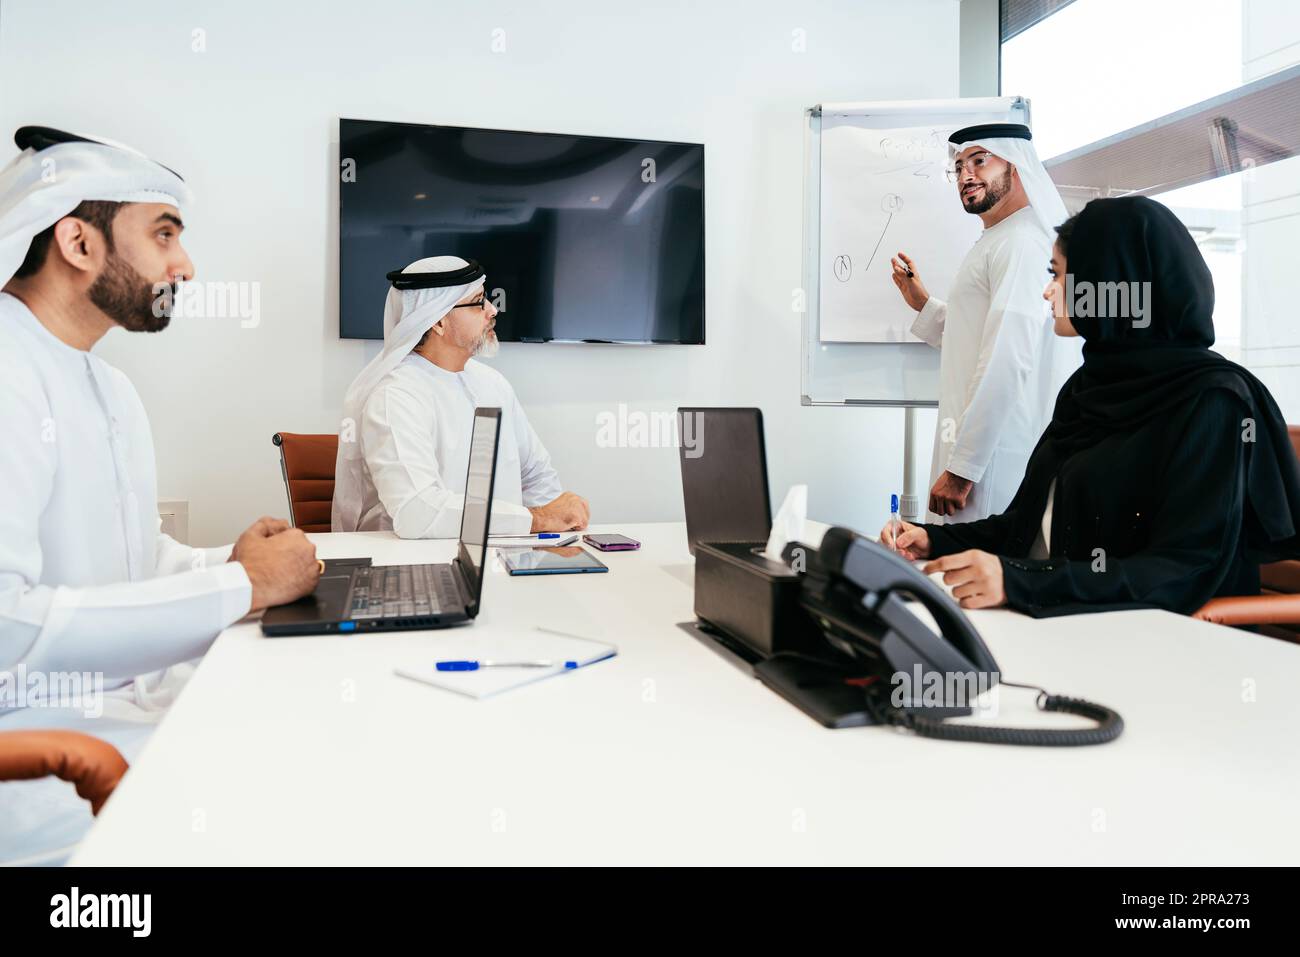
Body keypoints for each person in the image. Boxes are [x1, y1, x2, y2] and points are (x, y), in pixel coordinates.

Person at [0, 126, 320, 857]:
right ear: (79, 245)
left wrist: (229, 566)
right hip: (38, 754)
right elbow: (7, 632)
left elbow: (127, 558)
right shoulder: (5, 371)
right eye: (165, 234)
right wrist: (241, 587)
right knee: (287, 788)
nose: (186, 265)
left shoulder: (106, 384)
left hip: (119, 701)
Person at [881, 196, 1300, 617]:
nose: (1047, 290)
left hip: (1165, 648)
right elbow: (1024, 524)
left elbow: (1183, 570)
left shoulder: (1215, 402)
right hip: (1072, 624)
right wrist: (931, 539)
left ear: (1110, 282)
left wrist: (1022, 581)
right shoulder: (1088, 387)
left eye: (1058, 275)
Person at [890, 123, 1080, 522]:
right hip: (976, 460)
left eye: (979, 160)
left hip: (991, 467)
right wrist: (924, 305)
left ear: (1016, 165)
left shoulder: (1022, 243)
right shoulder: (1000, 239)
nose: (966, 175)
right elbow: (977, 337)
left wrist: (964, 470)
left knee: (973, 575)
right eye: (958, 167)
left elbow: (1006, 358)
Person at [332, 256, 589, 538]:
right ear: (438, 322)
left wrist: (556, 536)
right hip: (411, 563)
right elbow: (417, 512)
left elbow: (536, 475)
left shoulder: (493, 384)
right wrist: (537, 520)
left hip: (498, 558)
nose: (492, 310)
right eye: (479, 302)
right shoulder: (395, 396)